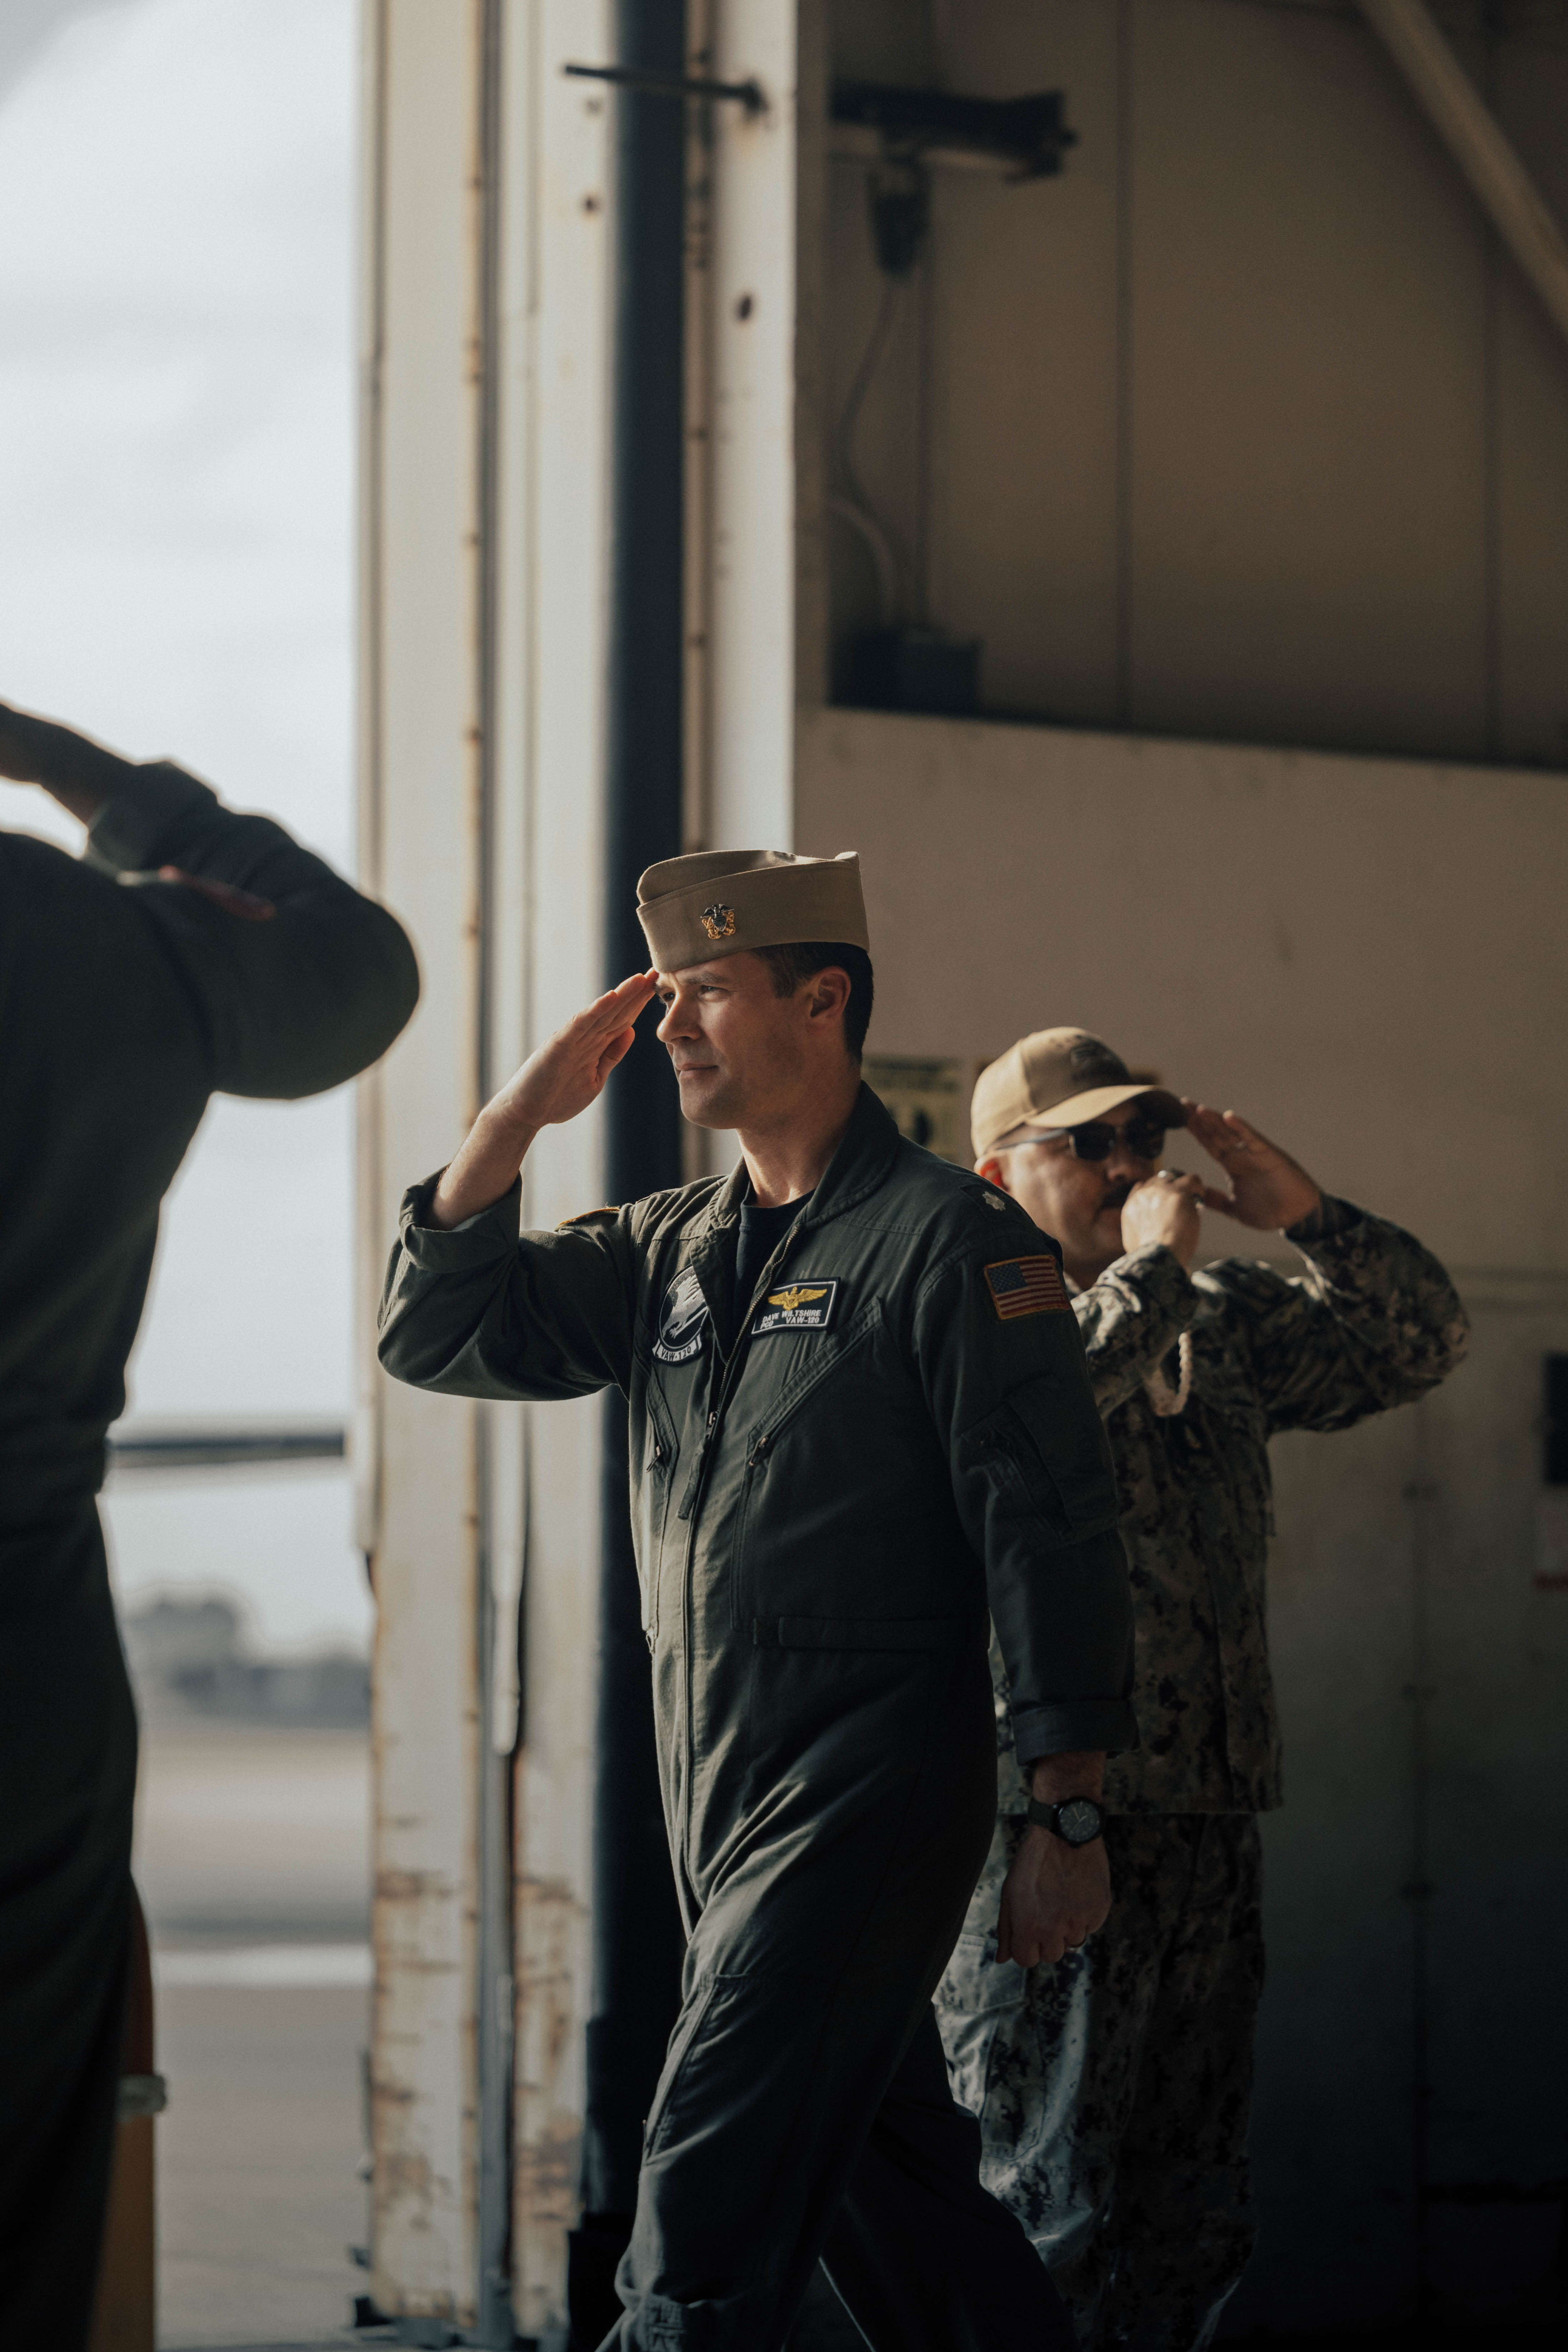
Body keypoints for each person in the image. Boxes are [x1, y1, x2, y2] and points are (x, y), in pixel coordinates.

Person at [377, 851, 1138, 2352]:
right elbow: (437, 1328)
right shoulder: (669, 1247)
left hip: (866, 1791)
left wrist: (1069, 1811)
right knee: (890, 2181)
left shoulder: (955, 1242)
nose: (672, 1028)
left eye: (707, 990)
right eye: (665, 998)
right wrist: (516, 1117)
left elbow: (1049, 1527)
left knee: (703, 2210)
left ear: (825, 998)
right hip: (718, 1796)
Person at [936, 1027, 1469, 2350]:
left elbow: (1420, 1342)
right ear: (1001, 1173)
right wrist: (1153, 1276)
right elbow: (1040, 1423)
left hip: (1209, 1826)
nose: (1131, 1165)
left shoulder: (1217, 1321)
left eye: (1144, 1140)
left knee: (1190, 2205)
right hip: (1051, 1832)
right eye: (1092, 1143)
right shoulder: (971, 1311)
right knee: (1037, 2201)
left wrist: (1314, 1220)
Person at [0, 700, 419, 2349]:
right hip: (22, 1652)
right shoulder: (100, 938)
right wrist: (65, 768)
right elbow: (358, 966)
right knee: (37, 2152)